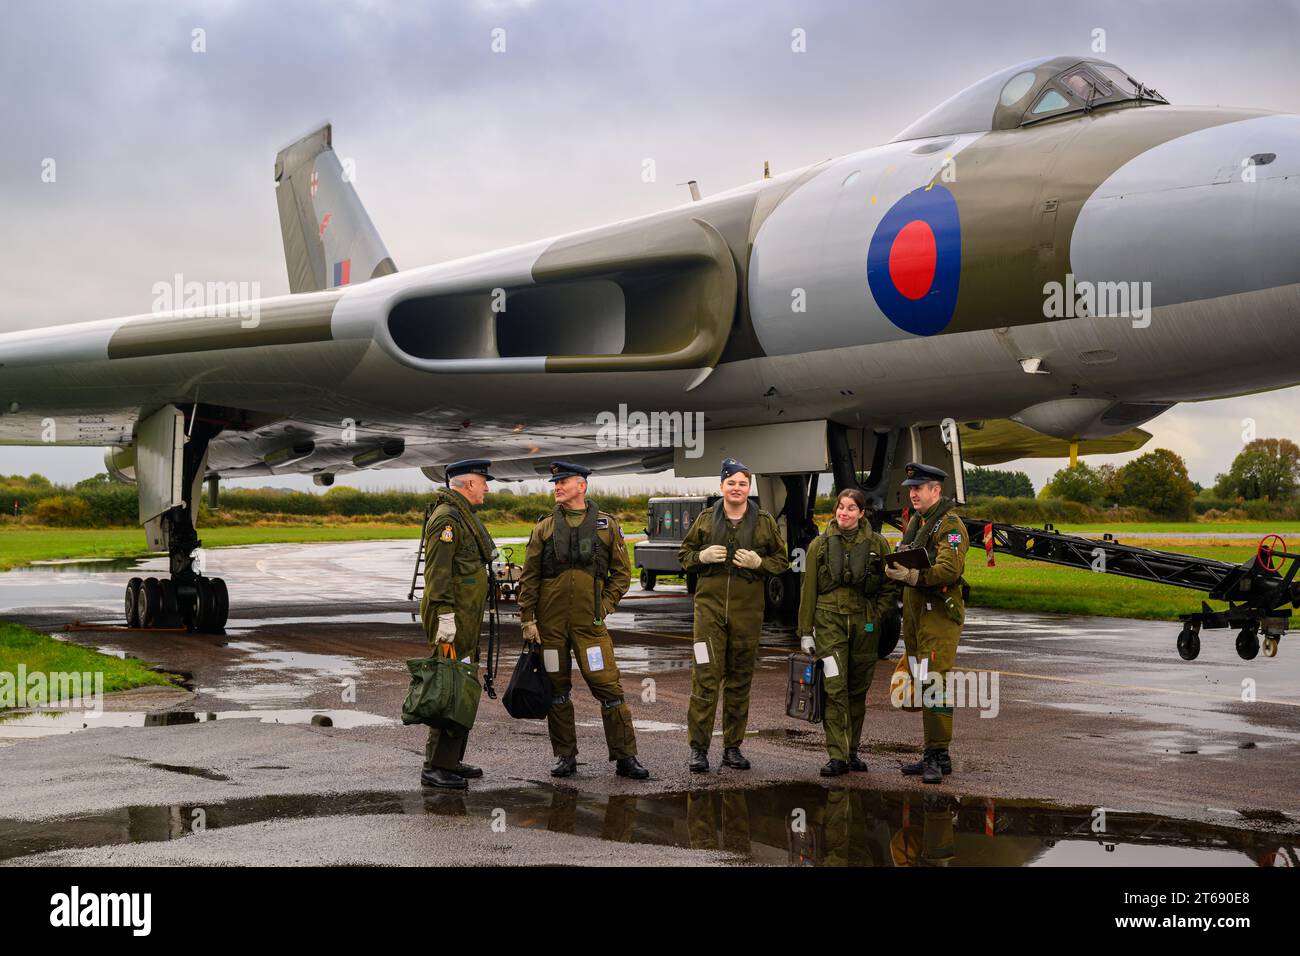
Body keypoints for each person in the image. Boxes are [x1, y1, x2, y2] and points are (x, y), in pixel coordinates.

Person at [517, 460, 649, 780]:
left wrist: (603, 607)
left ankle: (625, 757)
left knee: (608, 688)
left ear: (582, 486)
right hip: (551, 627)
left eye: (564, 482)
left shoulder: (607, 525)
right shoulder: (545, 527)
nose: (557, 487)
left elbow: (621, 574)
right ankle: (565, 756)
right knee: (557, 689)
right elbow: (530, 577)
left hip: (590, 626)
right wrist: (527, 619)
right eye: (555, 483)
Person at [678, 458, 790, 772]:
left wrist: (760, 563)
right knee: (705, 681)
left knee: (740, 682)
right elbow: (684, 556)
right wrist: (700, 556)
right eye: (731, 483)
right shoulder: (704, 519)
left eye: (742, 483)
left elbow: (781, 560)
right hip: (709, 613)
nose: (737, 488)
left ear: (749, 487)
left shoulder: (764, 521)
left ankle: (732, 748)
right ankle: (698, 749)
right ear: (722, 486)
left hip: (747, 614)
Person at [797, 488, 899, 777]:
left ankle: (852, 752)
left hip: (865, 625)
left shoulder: (878, 545)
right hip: (830, 622)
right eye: (841, 507)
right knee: (834, 686)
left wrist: (876, 617)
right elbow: (809, 590)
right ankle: (837, 755)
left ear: (861, 513)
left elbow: (889, 587)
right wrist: (806, 631)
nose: (844, 513)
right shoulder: (819, 545)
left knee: (857, 689)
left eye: (851, 508)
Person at [884, 462, 969, 785]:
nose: (913, 493)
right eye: (911, 488)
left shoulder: (949, 526)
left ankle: (936, 754)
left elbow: (949, 569)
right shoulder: (920, 522)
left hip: (938, 615)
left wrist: (914, 575)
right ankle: (936, 754)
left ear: (936, 490)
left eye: (918, 488)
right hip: (918, 613)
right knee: (923, 683)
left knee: (935, 684)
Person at [418, 458, 498, 790]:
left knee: (463, 686)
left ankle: (452, 760)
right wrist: (445, 615)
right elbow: (437, 574)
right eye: (482, 481)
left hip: (465, 618)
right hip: (452, 619)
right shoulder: (447, 519)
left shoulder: (462, 515)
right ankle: (436, 767)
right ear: (467, 484)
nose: (487, 487)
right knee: (450, 689)